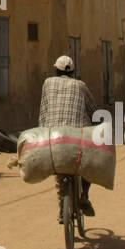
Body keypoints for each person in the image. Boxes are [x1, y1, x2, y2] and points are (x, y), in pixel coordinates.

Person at [39, 55, 99, 218]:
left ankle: (62, 212)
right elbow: (93, 109)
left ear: (55, 70)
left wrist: (42, 136)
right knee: (89, 163)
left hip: (54, 136)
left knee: (60, 172)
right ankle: (84, 196)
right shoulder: (81, 86)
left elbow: (43, 112)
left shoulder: (47, 83)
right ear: (73, 72)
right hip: (77, 137)